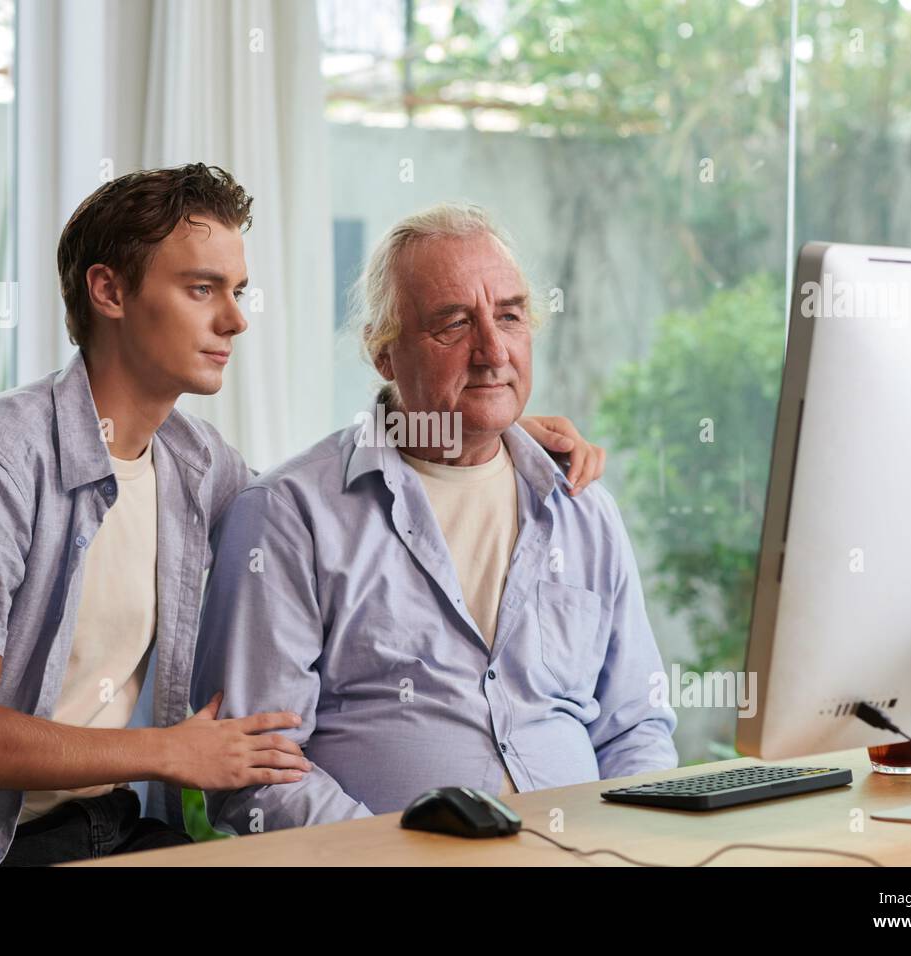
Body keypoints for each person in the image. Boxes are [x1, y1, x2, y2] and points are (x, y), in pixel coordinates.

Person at [0, 167, 607, 866]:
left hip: (106, 828)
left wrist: (482, 432)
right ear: (109, 292)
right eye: (203, 290)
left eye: (240, 292)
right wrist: (173, 752)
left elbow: (333, 499)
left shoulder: (197, 467)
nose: (235, 320)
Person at [193, 202, 678, 834]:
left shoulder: (582, 508)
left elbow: (636, 724)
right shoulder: (291, 515)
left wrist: (638, 842)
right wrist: (395, 857)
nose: (492, 350)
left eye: (509, 316)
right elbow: (254, 774)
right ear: (384, 354)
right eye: (453, 324)